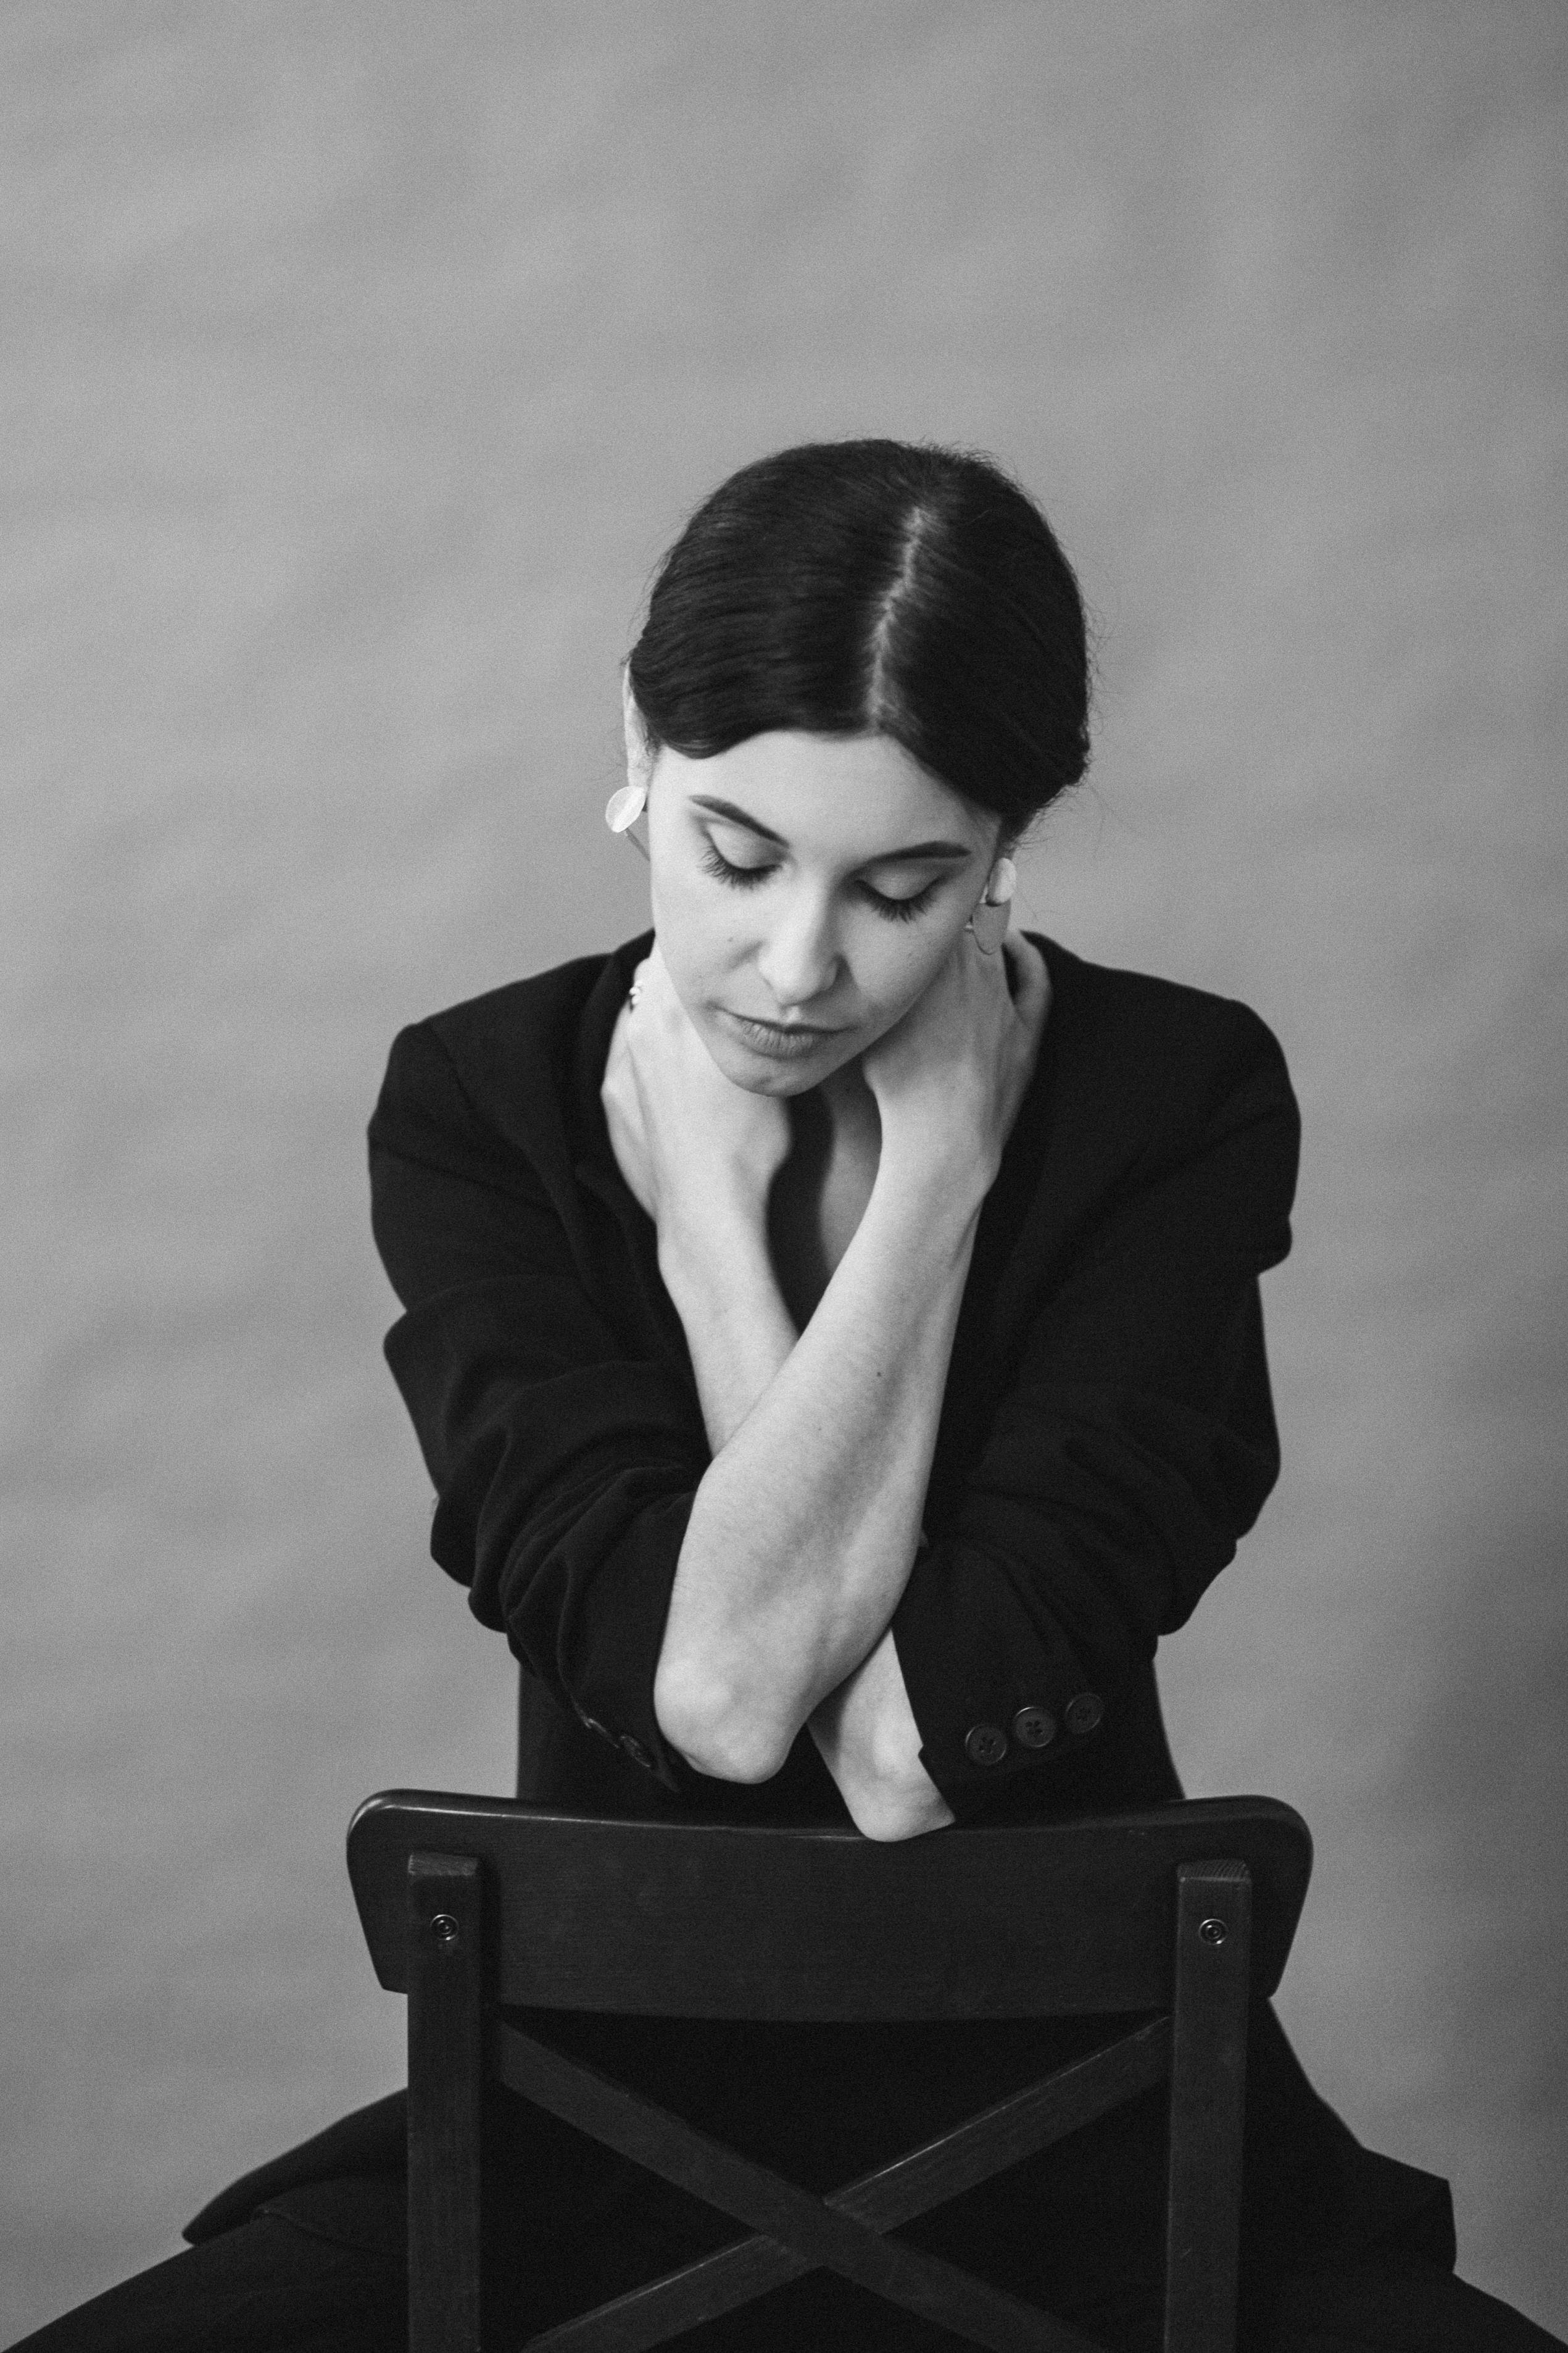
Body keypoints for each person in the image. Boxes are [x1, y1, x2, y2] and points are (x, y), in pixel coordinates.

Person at [19, 441, 1561, 2352]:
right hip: (579, 2147)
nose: (798, 962)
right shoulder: (487, 1105)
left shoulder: (1178, 1102)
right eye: (734, 854)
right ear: (639, 754)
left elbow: (911, 1753)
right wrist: (713, 1249)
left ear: (1011, 849)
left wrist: (932, 1186)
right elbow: (721, 1697)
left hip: (1119, 2142)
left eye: (905, 885)